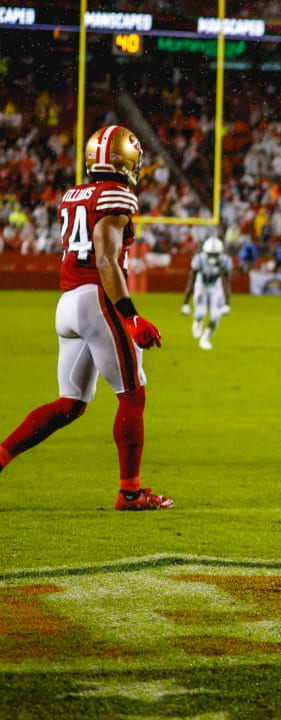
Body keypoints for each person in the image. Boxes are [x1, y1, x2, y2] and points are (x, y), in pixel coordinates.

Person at [0, 125, 170, 510]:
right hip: (98, 298)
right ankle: (130, 492)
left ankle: (2, 455)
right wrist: (131, 318)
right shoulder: (117, 195)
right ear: (125, 159)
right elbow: (108, 260)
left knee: (70, 404)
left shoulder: (74, 194)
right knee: (132, 395)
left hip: (68, 303)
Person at [180, 237, 233, 350]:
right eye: (210, 254)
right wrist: (185, 303)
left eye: (215, 254)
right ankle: (197, 322)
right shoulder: (199, 259)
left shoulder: (224, 261)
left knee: (215, 317)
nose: (213, 257)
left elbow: (226, 282)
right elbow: (191, 281)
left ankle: (205, 339)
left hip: (215, 286)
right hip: (201, 285)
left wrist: (227, 304)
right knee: (200, 313)